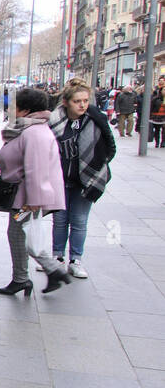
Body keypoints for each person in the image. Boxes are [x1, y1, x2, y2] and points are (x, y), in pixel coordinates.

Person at [0, 87, 70, 296]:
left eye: (14, 106)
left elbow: (37, 169)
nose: (10, 109)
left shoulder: (35, 133)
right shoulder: (29, 128)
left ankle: (45, 272)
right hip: (22, 197)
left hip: (27, 200)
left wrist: (34, 201)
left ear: (25, 110)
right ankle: (24, 277)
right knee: (18, 233)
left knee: (19, 234)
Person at [49, 78, 116, 278]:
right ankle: (57, 257)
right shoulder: (55, 120)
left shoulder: (96, 120)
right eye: (77, 101)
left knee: (79, 220)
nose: (82, 105)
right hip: (60, 178)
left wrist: (97, 165)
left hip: (85, 179)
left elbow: (110, 146)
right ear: (66, 102)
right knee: (59, 220)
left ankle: (75, 260)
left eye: (86, 101)